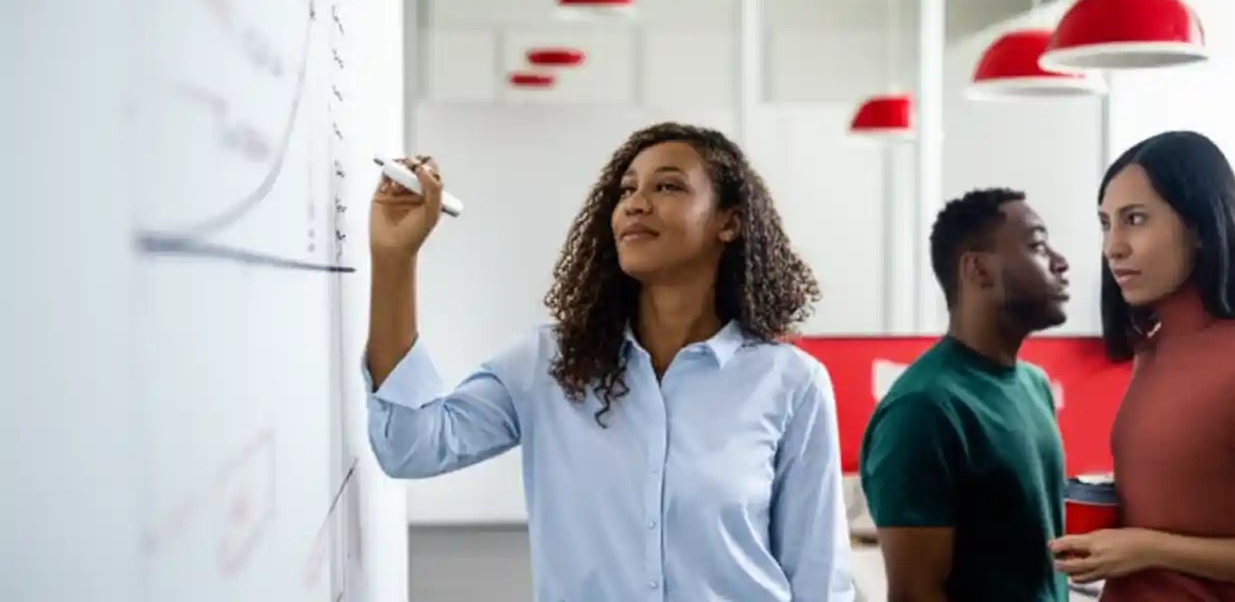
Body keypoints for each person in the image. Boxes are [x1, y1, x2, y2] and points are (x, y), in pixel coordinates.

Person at [363, 122, 857, 601]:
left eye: (668, 186)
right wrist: (394, 259)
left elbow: (818, 577)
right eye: (625, 191)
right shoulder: (547, 364)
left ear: (729, 222)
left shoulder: (791, 383)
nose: (635, 203)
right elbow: (410, 446)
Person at [1049, 131, 1235, 601]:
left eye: (1134, 220)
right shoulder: (1152, 350)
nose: (1113, 247)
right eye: (1105, 223)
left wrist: (1147, 548)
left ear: (1198, 226)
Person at [860, 187, 1072, 602]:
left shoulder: (1035, 386)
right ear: (978, 270)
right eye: (1038, 245)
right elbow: (915, 595)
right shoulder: (923, 409)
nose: (1061, 263)